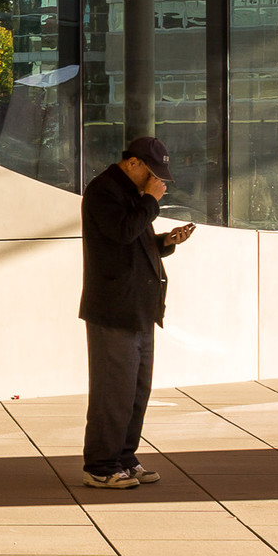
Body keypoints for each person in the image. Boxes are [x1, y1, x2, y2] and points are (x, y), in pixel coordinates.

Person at [80, 133, 194, 489]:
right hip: (114, 308)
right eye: (153, 174)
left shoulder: (132, 193)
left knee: (135, 391)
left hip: (139, 306)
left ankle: (124, 458)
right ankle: (100, 465)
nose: (157, 183)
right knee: (113, 391)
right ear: (133, 163)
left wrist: (165, 241)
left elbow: (135, 240)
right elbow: (122, 232)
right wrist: (150, 201)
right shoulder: (104, 190)